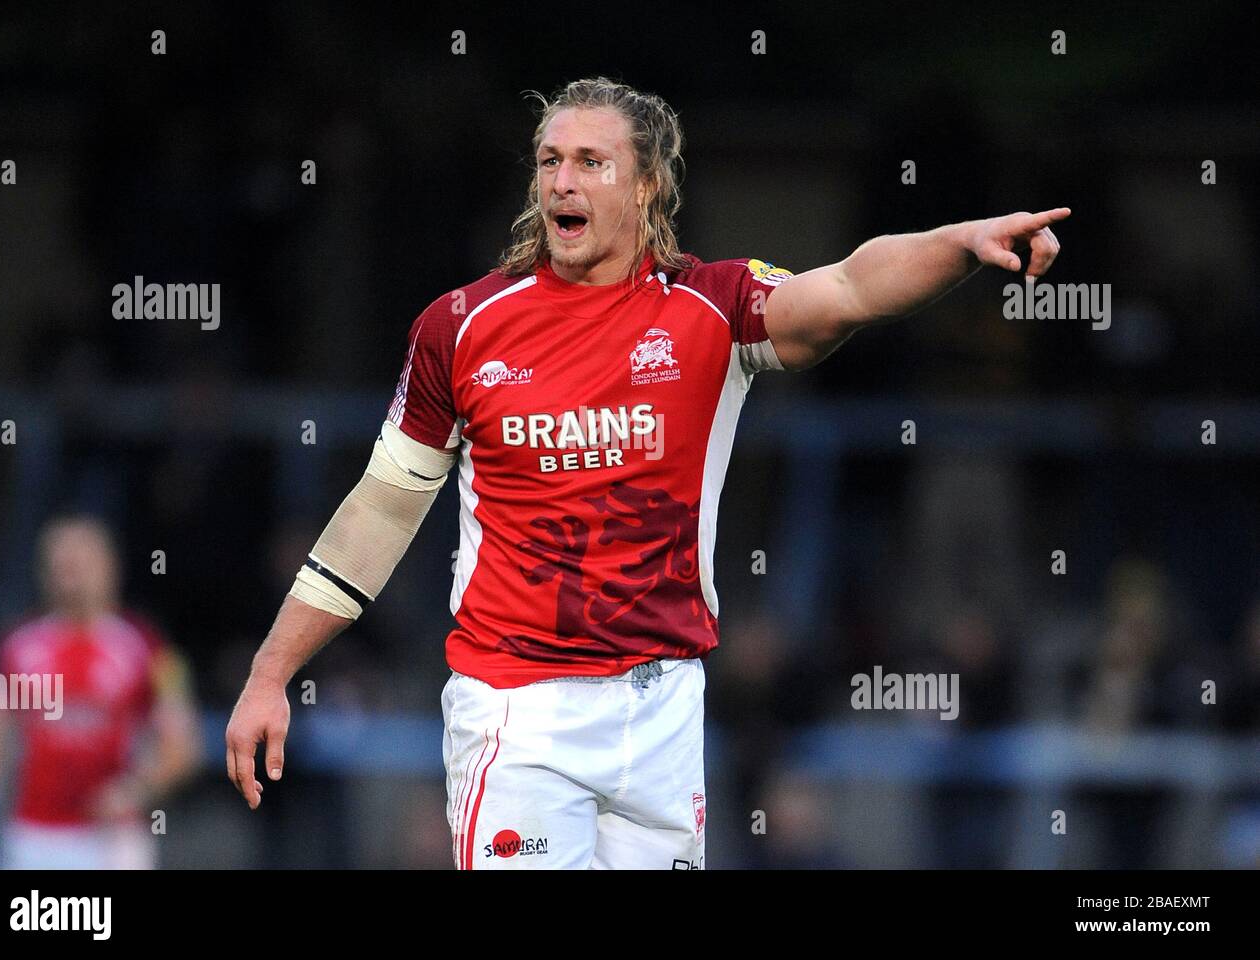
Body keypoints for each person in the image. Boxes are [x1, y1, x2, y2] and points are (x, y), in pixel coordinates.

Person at [225, 76, 1068, 869]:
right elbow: (380, 510)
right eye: (551, 161)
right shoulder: (461, 327)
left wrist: (959, 244)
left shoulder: (712, 308)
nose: (563, 181)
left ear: (646, 187)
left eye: (592, 162)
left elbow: (847, 286)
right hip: (520, 710)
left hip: (664, 711)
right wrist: (271, 674)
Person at [0, 516, 201, 869]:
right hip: (34, 836)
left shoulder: (150, 648)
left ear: (110, 567)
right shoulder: (16, 647)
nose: (69, 575)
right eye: (60, 564)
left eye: (80, 563)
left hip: (113, 841)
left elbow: (183, 746)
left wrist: (135, 789)